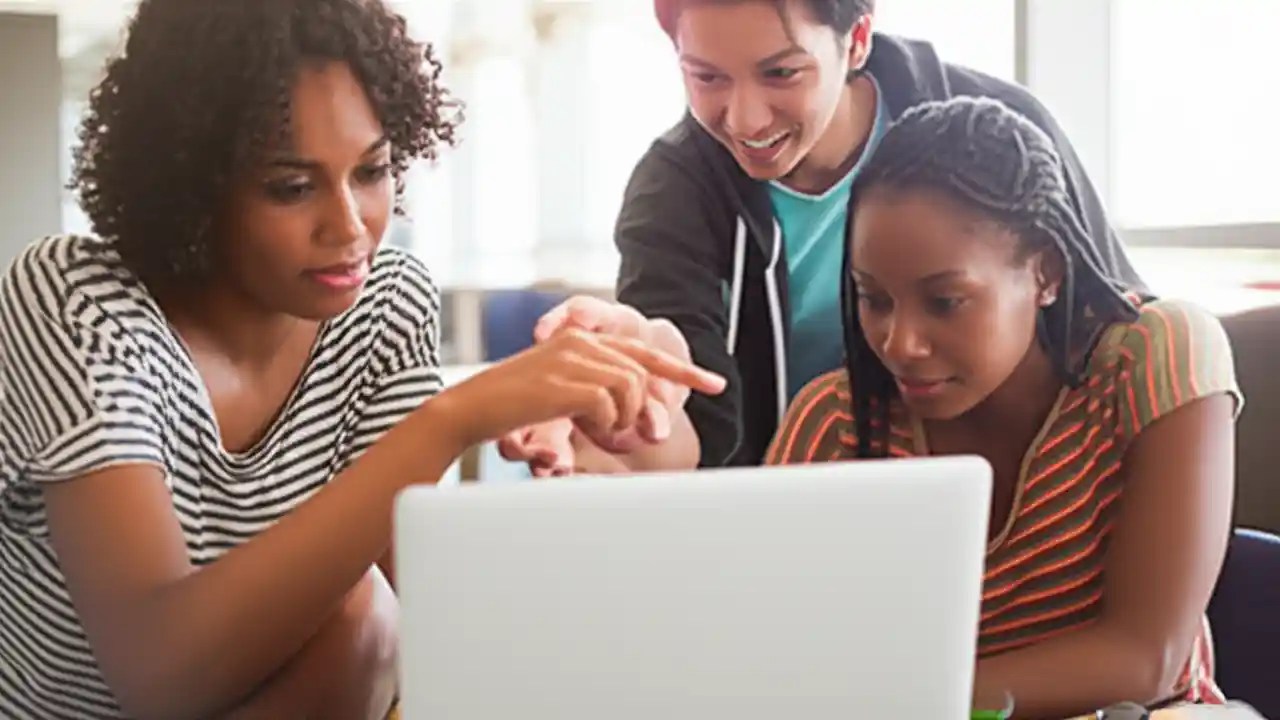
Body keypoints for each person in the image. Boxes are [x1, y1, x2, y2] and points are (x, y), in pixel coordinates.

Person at [0, 1, 723, 718]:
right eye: (291, 186)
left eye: (371, 171)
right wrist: (453, 418)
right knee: (364, 617)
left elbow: (436, 616)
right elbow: (160, 677)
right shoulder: (75, 301)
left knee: (370, 617)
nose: (350, 230)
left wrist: (630, 455)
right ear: (193, 183)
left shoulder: (382, 305)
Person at [500, 0, 1145, 475]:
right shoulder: (673, 192)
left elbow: (1110, 328)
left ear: (857, 39)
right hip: (789, 517)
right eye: (707, 78)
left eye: (781, 74)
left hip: (1015, 495)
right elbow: (695, 425)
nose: (744, 119)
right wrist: (626, 422)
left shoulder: (992, 134)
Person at [767, 96, 1239, 716]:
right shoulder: (837, 424)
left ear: (1045, 274)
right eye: (873, 298)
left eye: (945, 302)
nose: (899, 343)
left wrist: (897, 701)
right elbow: (763, 648)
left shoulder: (1155, 355)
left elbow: (1145, 659)